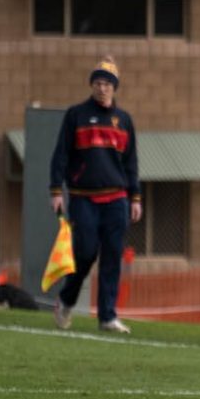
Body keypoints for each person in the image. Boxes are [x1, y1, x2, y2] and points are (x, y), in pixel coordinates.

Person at [48, 55, 141, 333]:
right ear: (91, 85)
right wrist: (56, 190)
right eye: (98, 83)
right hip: (83, 197)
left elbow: (131, 162)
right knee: (85, 252)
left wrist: (135, 197)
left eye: (107, 84)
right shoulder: (75, 115)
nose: (102, 88)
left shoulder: (124, 120)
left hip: (117, 200)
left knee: (112, 257)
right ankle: (66, 300)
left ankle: (107, 316)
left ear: (115, 87)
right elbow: (61, 155)